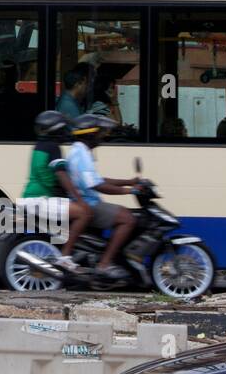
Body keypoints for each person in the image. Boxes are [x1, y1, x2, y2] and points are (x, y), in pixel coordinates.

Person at [65, 114, 143, 281]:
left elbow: (98, 180)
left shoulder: (81, 150)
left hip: (90, 201)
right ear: (89, 135)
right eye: (99, 133)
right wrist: (130, 191)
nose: (103, 136)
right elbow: (97, 186)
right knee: (127, 218)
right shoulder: (81, 154)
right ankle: (105, 264)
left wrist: (128, 182)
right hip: (88, 204)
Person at [17, 110, 89, 271]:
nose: (66, 132)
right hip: (40, 199)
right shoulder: (53, 147)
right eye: (63, 129)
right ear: (56, 130)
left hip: (32, 198)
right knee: (84, 213)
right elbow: (61, 174)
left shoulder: (39, 146)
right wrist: (79, 199)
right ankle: (65, 256)